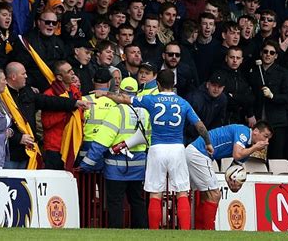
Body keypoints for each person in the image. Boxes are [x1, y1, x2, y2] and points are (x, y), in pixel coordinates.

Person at [103, 69, 212, 230]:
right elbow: (200, 125)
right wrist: (208, 142)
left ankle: (154, 232)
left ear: (158, 84)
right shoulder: (183, 102)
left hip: (157, 148)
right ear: (173, 84)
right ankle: (186, 232)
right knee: (182, 191)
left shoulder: (151, 100)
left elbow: (125, 99)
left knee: (155, 192)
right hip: (176, 148)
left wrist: (105, 94)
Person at [80, 77, 151, 229]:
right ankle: (143, 233)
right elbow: (149, 140)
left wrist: (86, 164)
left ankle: (116, 232)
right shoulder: (145, 112)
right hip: (138, 168)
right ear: (137, 92)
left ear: (119, 92)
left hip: (116, 169)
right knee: (138, 202)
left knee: (115, 203)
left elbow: (101, 142)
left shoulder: (117, 111)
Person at [186, 121, 272, 230]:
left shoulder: (246, 149)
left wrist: (234, 184)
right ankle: (208, 231)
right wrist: (255, 148)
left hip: (195, 153)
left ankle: (199, 230)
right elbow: (237, 154)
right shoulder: (244, 132)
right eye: (265, 136)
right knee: (215, 195)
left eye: (268, 139)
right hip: (199, 153)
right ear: (255, 131)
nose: (266, 141)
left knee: (204, 196)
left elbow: (232, 172)